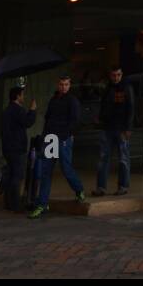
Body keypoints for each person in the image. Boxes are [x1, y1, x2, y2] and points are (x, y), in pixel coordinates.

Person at [28, 76, 86, 218]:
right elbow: (48, 120)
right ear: (57, 84)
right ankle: (42, 204)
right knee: (46, 171)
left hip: (63, 139)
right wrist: (44, 137)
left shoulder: (72, 101)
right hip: (50, 139)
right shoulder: (53, 100)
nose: (64, 87)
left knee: (66, 168)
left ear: (69, 85)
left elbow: (76, 120)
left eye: (66, 84)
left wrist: (67, 135)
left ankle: (79, 190)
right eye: (61, 84)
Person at [92, 65, 135, 196]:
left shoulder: (126, 88)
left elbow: (131, 108)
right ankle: (101, 187)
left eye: (118, 75)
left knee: (123, 158)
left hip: (121, 128)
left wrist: (128, 128)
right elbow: (104, 105)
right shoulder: (108, 88)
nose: (116, 78)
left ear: (121, 75)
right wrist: (100, 117)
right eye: (114, 75)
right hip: (107, 127)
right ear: (110, 75)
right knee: (103, 158)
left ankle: (123, 186)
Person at [1, 86, 37, 214]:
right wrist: (32, 110)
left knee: (10, 174)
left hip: (7, 148)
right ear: (17, 96)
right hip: (17, 148)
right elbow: (27, 122)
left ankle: (8, 202)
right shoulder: (18, 110)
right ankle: (15, 204)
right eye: (22, 95)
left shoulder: (6, 111)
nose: (24, 97)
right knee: (17, 175)